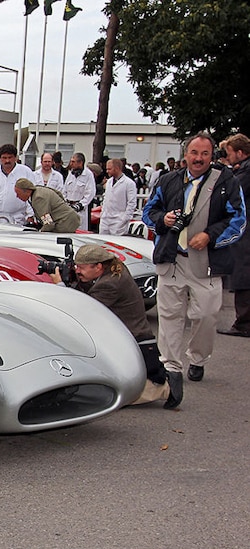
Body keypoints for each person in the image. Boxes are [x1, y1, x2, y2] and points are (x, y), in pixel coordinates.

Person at [142, 131, 246, 383]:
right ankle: (171, 366)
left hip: (206, 262)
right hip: (171, 258)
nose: (198, 158)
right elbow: (149, 211)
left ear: (212, 156)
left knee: (205, 315)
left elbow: (238, 219)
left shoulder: (226, 180)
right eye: (194, 153)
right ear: (185, 154)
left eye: (204, 154)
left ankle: (198, 358)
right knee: (169, 316)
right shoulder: (168, 180)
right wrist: (161, 220)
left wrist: (210, 237)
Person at [51, 244, 183, 409]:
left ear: (98, 266)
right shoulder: (116, 269)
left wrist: (60, 286)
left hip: (133, 344)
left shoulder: (110, 284)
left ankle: (167, 386)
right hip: (125, 338)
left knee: (119, 397)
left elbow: (83, 309)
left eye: (81, 267)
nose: (77, 270)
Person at [217, 133, 250, 337]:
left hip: (245, 231)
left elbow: (232, 193)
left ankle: (244, 322)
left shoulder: (245, 173)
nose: (227, 158)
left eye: (229, 154)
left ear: (239, 152)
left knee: (243, 273)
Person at [0, 143, 34, 227]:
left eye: (10, 157)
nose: (7, 161)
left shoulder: (26, 172)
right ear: (0, 158)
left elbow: (31, 196)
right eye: (4, 158)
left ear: (15, 157)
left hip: (18, 217)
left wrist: (31, 215)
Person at [13, 178, 80, 233]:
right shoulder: (39, 189)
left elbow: (48, 223)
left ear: (27, 191)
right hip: (69, 218)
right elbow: (58, 194)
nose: (17, 196)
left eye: (18, 193)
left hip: (65, 222)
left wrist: (39, 233)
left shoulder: (38, 198)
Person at [99, 158, 138, 236]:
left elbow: (132, 203)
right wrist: (102, 213)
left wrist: (124, 219)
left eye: (109, 169)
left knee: (116, 245)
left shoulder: (129, 183)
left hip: (119, 220)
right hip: (105, 219)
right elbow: (106, 199)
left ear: (117, 168)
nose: (107, 171)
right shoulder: (109, 182)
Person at [63, 152, 98, 230]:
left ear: (80, 163)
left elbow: (90, 193)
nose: (71, 163)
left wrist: (80, 205)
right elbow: (64, 190)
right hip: (68, 207)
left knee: (80, 230)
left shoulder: (88, 175)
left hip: (80, 209)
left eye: (73, 161)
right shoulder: (71, 174)